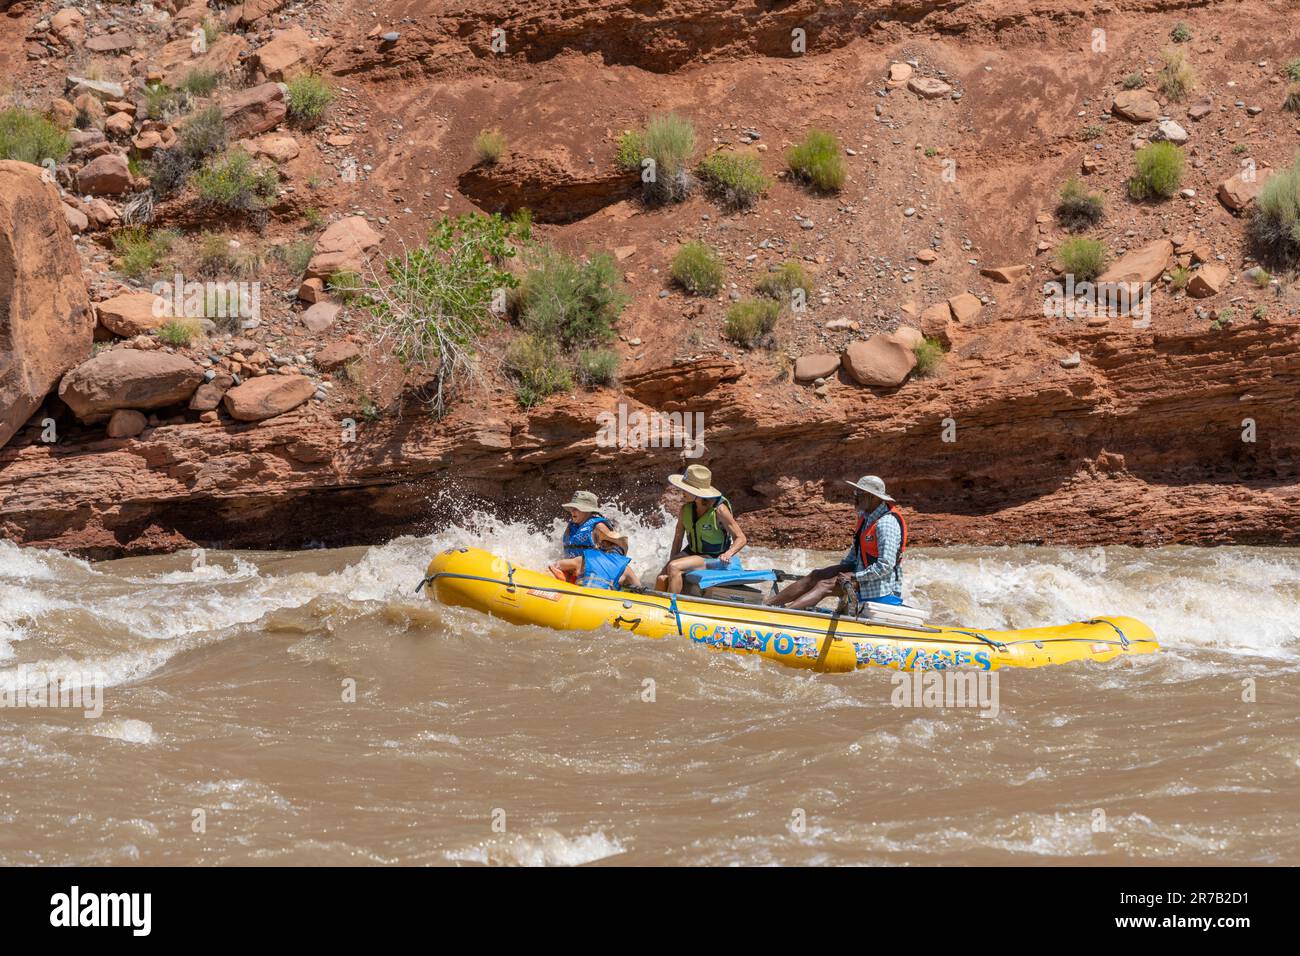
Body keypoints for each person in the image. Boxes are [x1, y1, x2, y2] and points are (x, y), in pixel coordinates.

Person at [765, 475, 907, 614]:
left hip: (879, 585)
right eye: (855, 492)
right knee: (817, 575)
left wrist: (854, 577)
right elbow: (855, 553)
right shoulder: (866, 517)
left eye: (859, 493)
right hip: (862, 571)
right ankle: (766, 606)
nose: (855, 496)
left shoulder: (886, 524)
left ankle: (783, 615)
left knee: (825, 585)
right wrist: (836, 570)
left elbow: (885, 566)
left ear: (873, 497)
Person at [656, 464, 747, 594]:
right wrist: (672, 559)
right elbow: (678, 537)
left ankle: (671, 607)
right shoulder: (685, 509)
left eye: (686, 489)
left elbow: (741, 538)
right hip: (692, 552)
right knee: (661, 578)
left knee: (674, 567)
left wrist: (728, 554)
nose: (682, 492)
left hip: (713, 557)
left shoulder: (720, 510)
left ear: (698, 493)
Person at [550, 491, 639, 590]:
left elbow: (614, 544)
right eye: (572, 508)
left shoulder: (599, 526)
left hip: (589, 572)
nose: (572, 511)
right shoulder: (571, 527)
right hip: (571, 571)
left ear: (587, 510)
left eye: (576, 508)